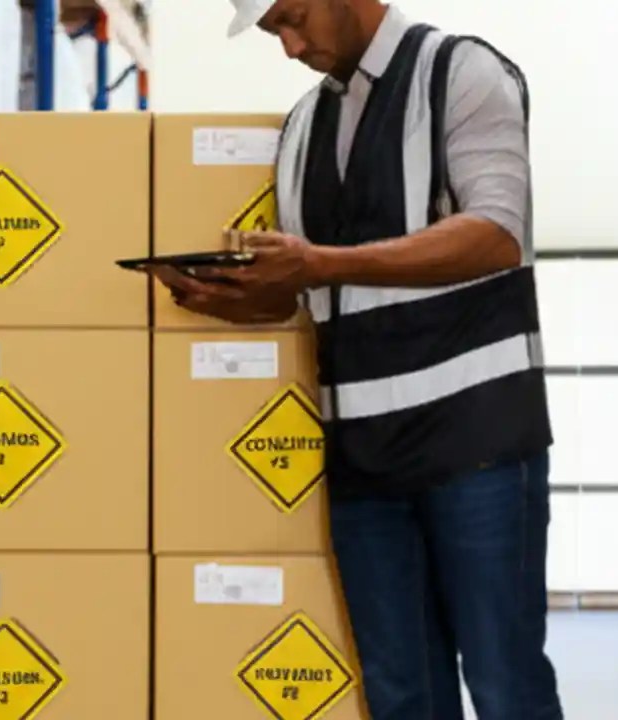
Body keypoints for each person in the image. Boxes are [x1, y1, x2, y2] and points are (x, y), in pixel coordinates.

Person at [152, 1, 563, 718]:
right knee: (401, 696)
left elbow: (496, 231)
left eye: (293, 18)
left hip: (479, 447)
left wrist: (317, 262)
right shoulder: (303, 126)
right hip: (365, 463)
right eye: (273, 31)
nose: (287, 46)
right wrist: (234, 296)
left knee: (505, 687)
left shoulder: (462, 73)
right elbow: (317, 294)